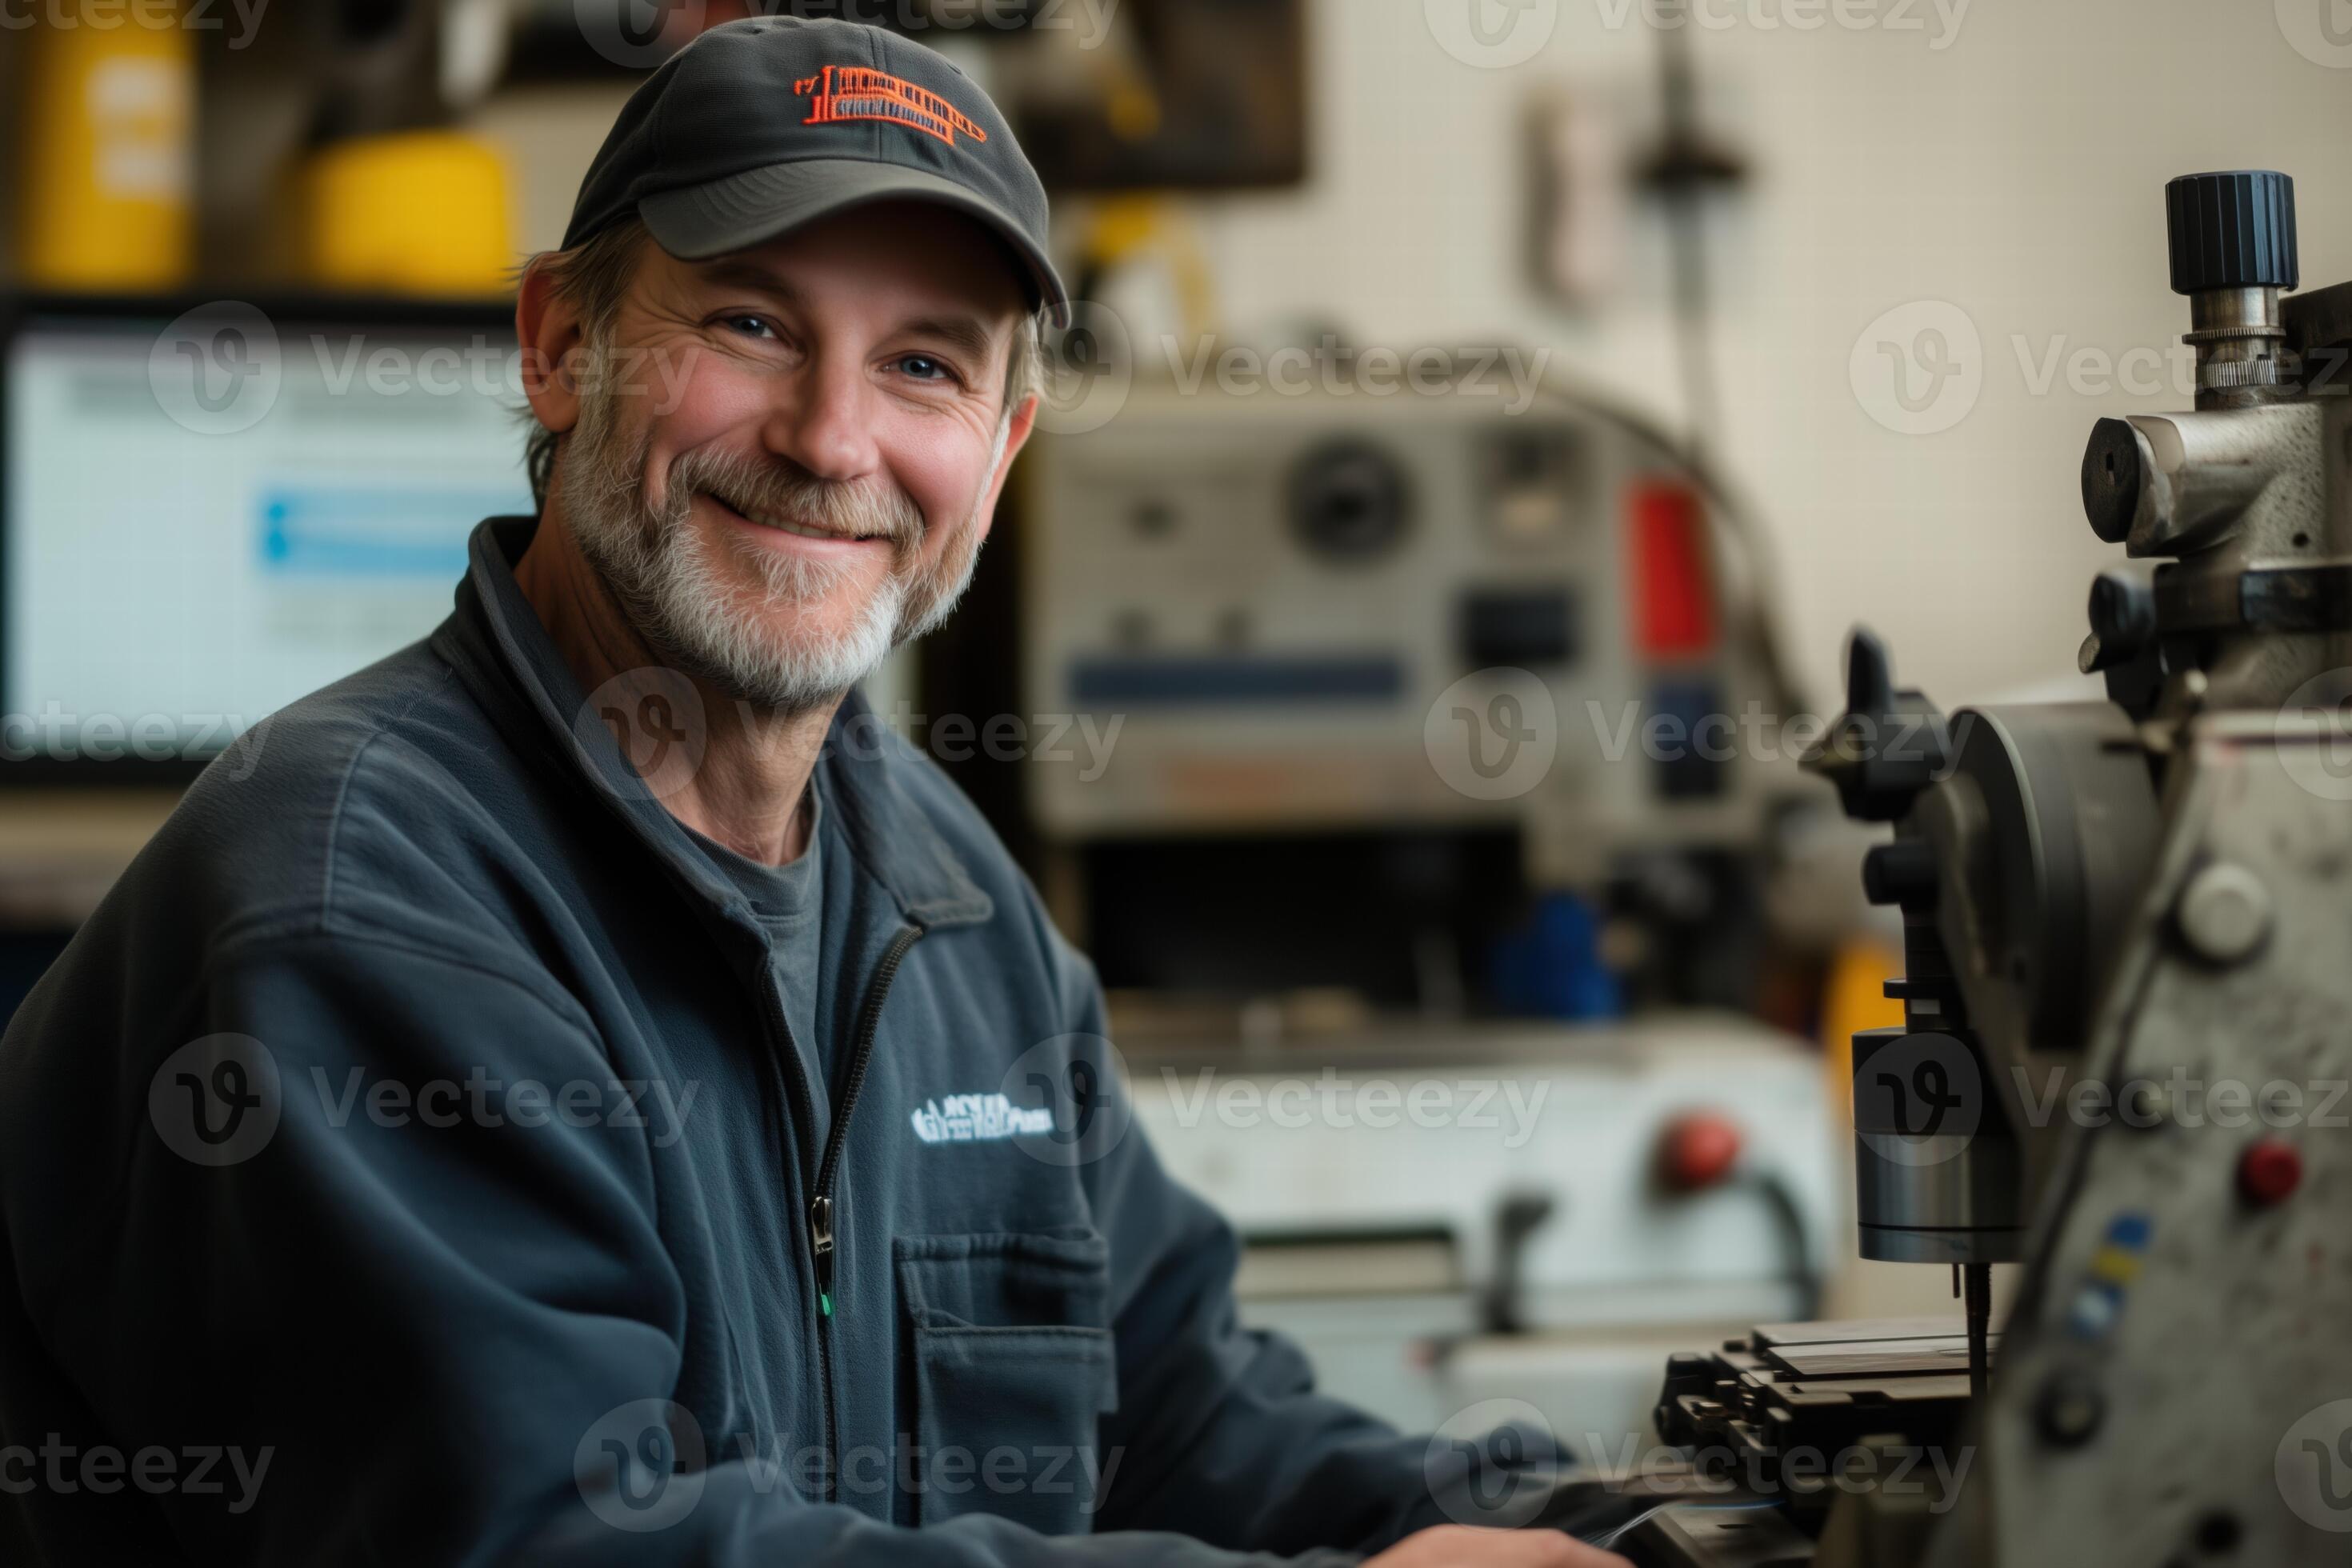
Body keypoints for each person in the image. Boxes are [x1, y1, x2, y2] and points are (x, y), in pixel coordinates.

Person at [0, 18, 1631, 1566]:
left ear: (998, 455)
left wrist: (1620, 1521)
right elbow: (559, 1537)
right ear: (560, 343)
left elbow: (1190, 1407)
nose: (832, 436)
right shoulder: (357, 896)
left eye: (924, 364)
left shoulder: (942, 887)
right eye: (751, 324)